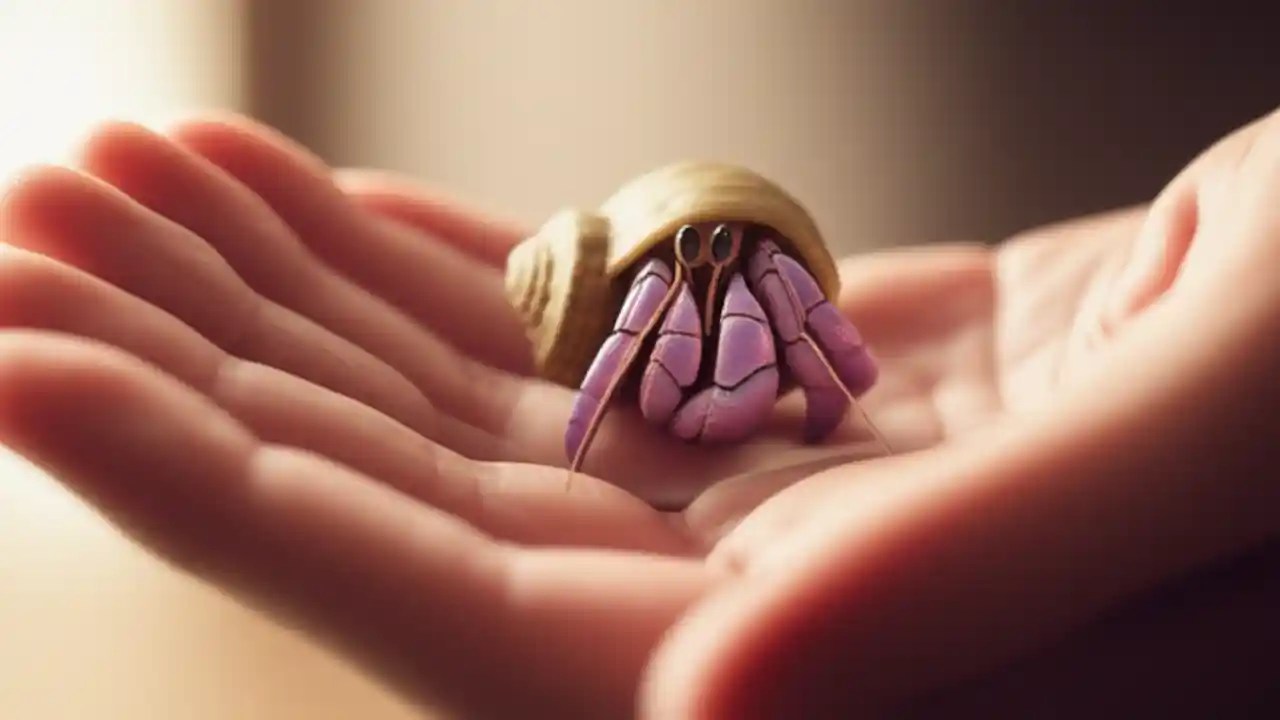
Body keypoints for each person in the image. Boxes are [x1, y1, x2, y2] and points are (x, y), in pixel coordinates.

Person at [0, 108, 1274, 719]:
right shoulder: (657, 291)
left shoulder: (753, 278)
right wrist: (602, 401)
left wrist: (822, 395)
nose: (724, 283)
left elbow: (783, 305)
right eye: (704, 268)